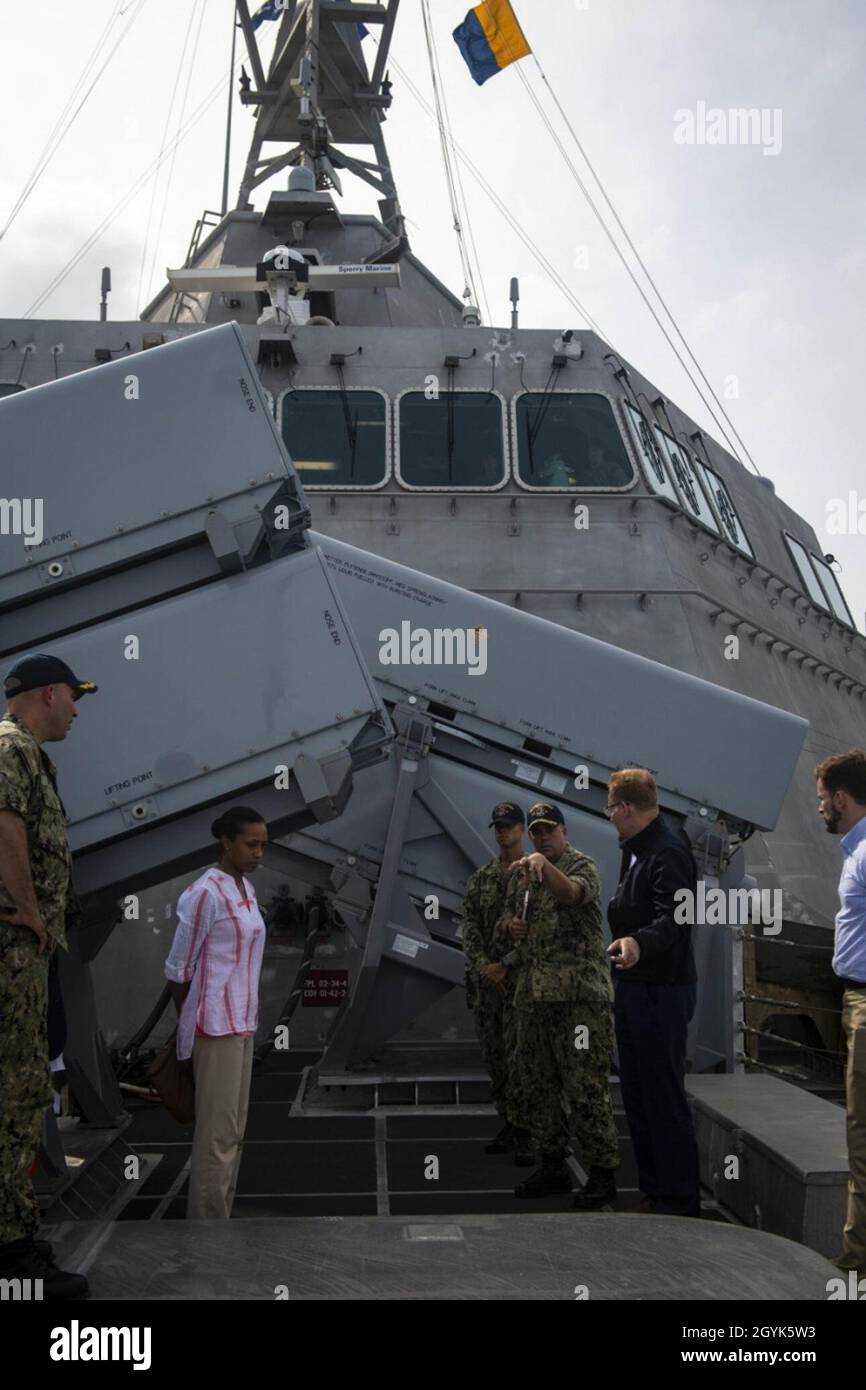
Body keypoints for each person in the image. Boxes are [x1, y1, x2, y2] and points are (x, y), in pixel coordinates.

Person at [0, 652, 97, 1299]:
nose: (77, 710)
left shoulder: (27, 752)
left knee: (25, 1089)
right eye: (74, 698)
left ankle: (16, 1232)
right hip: (12, 951)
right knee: (15, 1092)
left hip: (24, 953)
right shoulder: (10, 748)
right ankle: (9, 1255)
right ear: (50, 693)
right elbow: (4, 825)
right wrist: (27, 910)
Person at [502, 801, 619, 1206]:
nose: (542, 837)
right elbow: (510, 920)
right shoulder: (524, 877)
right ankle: (553, 1167)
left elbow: (571, 895)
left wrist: (542, 864)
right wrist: (513, 926)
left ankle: (603, 1174)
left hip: (579, 1003)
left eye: (549, 830)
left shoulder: (580, 865)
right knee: (539, 1086)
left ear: (564, 832)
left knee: (585, 1087)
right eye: (536, 831)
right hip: (535, 1000)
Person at [164, 807, 268, 1219]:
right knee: (217, 1134)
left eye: (263, 845)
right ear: (226, 843)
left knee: (234, 1132)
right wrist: (188, 1025)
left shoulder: (246, 889)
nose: (259, 853)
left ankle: (218, 1214)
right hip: (216, 1026)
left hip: (243, 1024)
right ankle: (206, 1225)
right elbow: (178, 969)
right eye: (250, 844)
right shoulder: (204, 893)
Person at [605, 768, 701, 1217]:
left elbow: (677, 918)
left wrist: (638, 942)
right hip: (635, 987)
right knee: (639, 1095)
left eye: (611, 809)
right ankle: (654, 1191)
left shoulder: (668, 852)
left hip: (660, 992)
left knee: (663, 1095)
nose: (610, 818)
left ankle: (679, 1201)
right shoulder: (638, 850)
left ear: (625, 808)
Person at [816, 749, 866, 1276]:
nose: (820, 810)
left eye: (822, 801)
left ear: (841, 799)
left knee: (863, 1138)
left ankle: (857, 1266)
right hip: (856, 999)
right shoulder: (857, 851)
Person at [461, 802, 533, 1165]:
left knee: (523, 1060)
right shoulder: (482, 878)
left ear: (522, 829)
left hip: (521, 986)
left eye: (508, 826)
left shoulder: (535, 876)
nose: (502, 832)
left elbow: (540, 933)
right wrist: (485, 967)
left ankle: (526, 1132)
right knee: (497, 1060)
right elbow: (469, 928)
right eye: (498, 827)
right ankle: (508, 1122)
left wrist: (506, 965)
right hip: (490, 987)